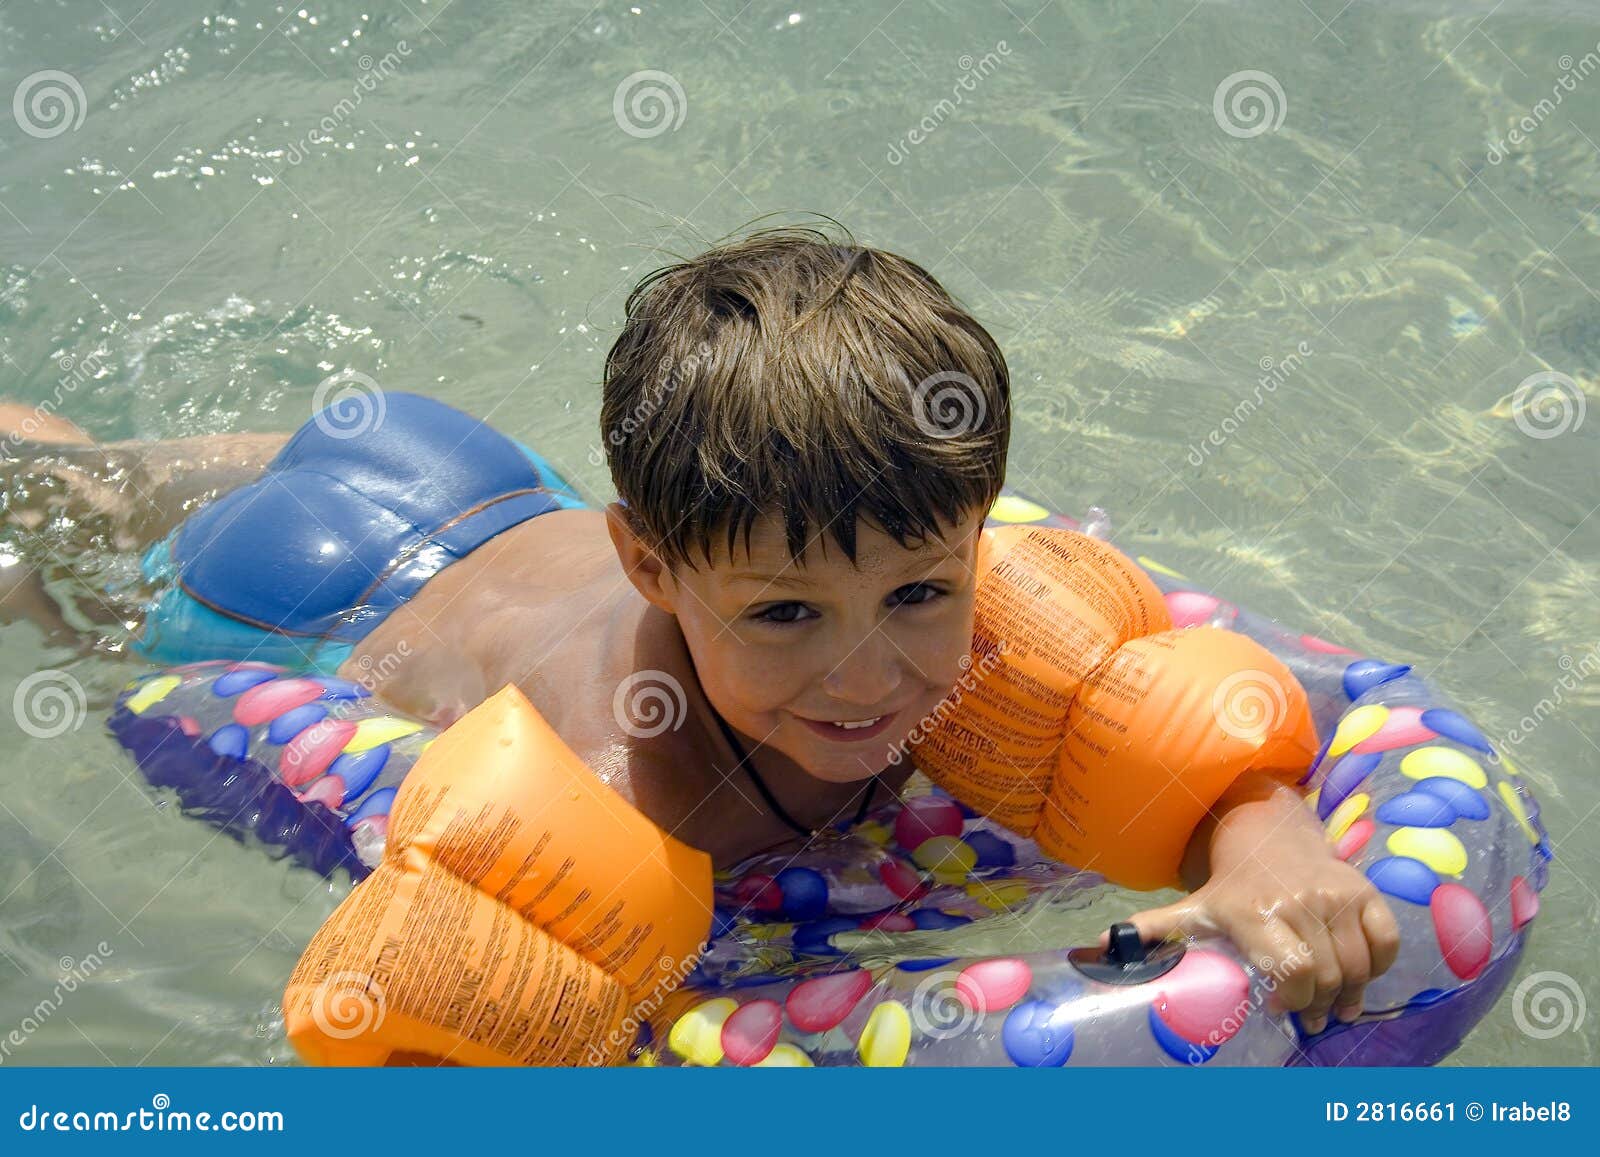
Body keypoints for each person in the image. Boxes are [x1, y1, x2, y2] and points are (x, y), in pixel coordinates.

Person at [0, 227, 1397, 1035]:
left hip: (481, 477)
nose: (872, 674)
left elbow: (1164, 715)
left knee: (85, 474)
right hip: (304, 586)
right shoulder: (626, 786)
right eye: (785, 614)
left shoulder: (986, 641)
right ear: (652, 564)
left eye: (921, 589)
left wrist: (1263, 830)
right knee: (60, 536)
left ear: (978, 532)